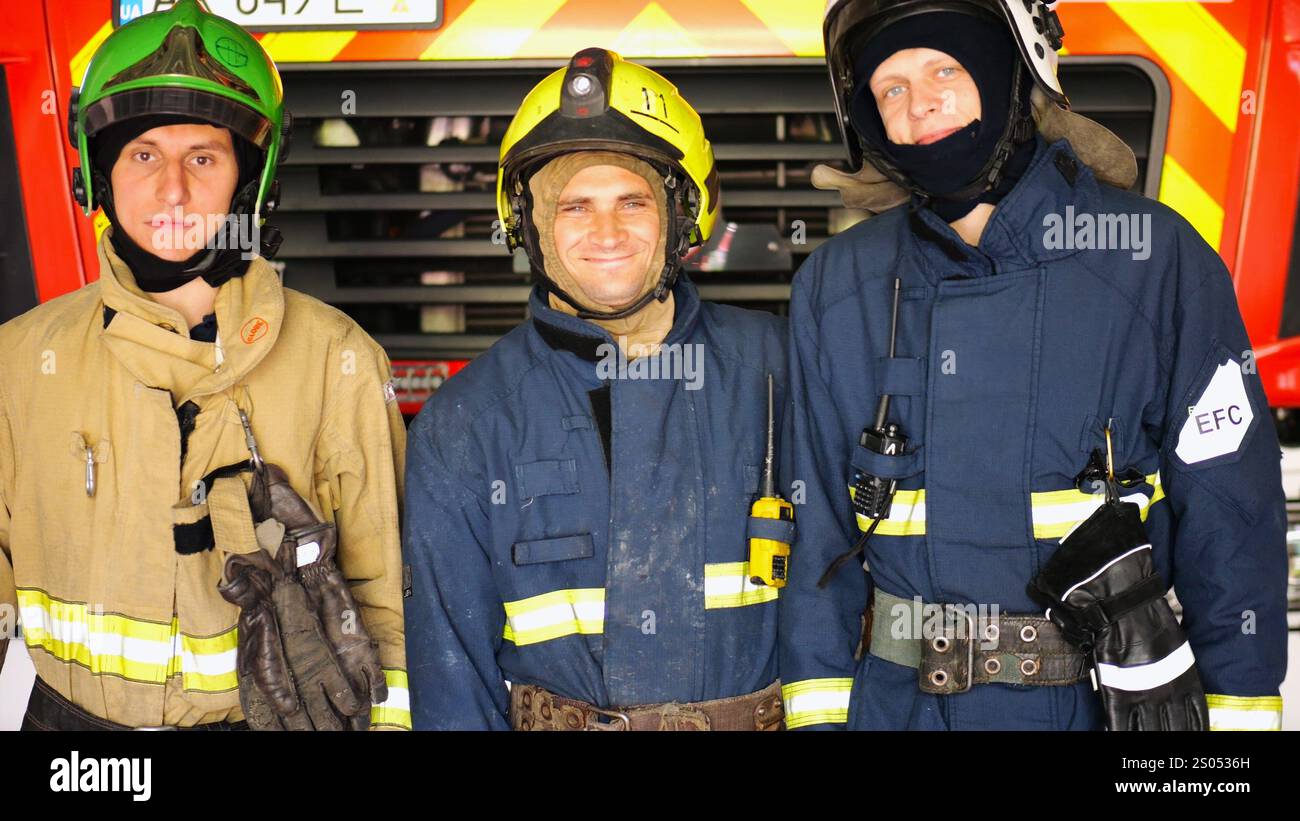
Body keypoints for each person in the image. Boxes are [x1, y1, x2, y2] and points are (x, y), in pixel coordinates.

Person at [778, 0, 1287, 731]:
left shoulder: (1154, 260)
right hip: (900, 710)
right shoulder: (835, 288)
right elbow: (819, 542)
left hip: (1099, 708)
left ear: (1010, 71)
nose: (920, 105)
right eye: (890, 89)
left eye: (943, 70)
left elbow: (1231, 521)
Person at [0, 0, 410, 730]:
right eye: (144, 154)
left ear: (250, 182)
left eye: (203, 157)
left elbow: (389, 604)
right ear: (101, 174)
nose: (173, 190)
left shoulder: (339, 361)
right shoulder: (22, 360)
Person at [403, 48, 789, 730]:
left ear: (683, 216)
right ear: (529, 225)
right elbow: (451, 677)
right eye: (575, 205)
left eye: (632, 201)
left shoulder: (779, 371)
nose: (606, 232)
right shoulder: (464, 421)